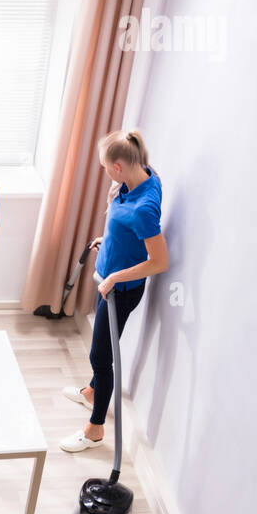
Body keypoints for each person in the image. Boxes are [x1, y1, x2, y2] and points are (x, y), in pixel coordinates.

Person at [60, 129, 167, 453]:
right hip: (108, 280)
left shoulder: (144, 207)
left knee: (100, 356)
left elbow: (159, 261)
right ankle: (93, 391)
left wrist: (115, 277)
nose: (105, 172)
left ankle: (94, 430)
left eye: (106, 167)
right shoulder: (142, 178)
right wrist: (108, 241)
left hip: (118, 291)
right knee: (102, 350)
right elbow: (129, 233)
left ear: (119, 166)